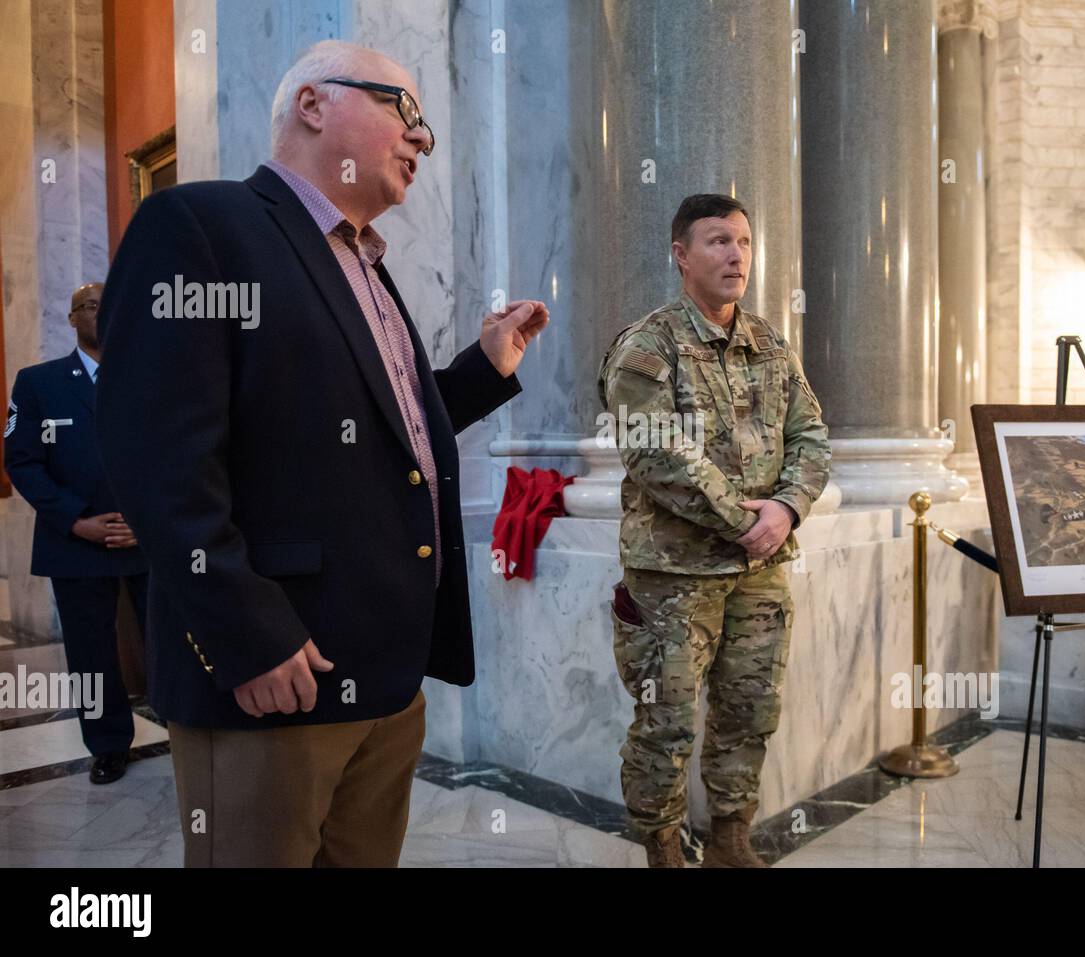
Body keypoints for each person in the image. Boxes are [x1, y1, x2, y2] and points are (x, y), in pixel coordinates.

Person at [95, 40, 548, 867]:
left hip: (386, 682)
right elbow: (157, 456)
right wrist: (247, 635)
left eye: (427, 129)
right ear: (313, 104)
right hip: (274, 679)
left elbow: (382, 434)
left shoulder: (366, 263)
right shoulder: (200, 224)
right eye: (404, 112)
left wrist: (483, 371)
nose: (422, 141)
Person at [598, 193, 831, 867]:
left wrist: (785, 509)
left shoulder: (771, 346)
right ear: (681, 255)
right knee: (665, 725)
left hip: (759, 576)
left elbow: (810, 436)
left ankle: (731, 841)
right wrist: (746, 523)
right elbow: (657, 454)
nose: (736, 255)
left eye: (744, 242)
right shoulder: (647, 347)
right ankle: (663, 851)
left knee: (748, 712)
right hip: (673, 581)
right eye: (717, 241)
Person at [5, 281, 148, 785]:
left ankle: (189, 724)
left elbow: (178, 458)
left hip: (147, 538)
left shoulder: (150, 379)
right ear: (71, 320)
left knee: (169, 638)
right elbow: (22, 462)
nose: (101, 313)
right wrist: (76, 519)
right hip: (76, 542)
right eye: (89, 306)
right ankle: (108, 745)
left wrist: (147, 520)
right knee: (91, 651)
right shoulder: (38, 383)